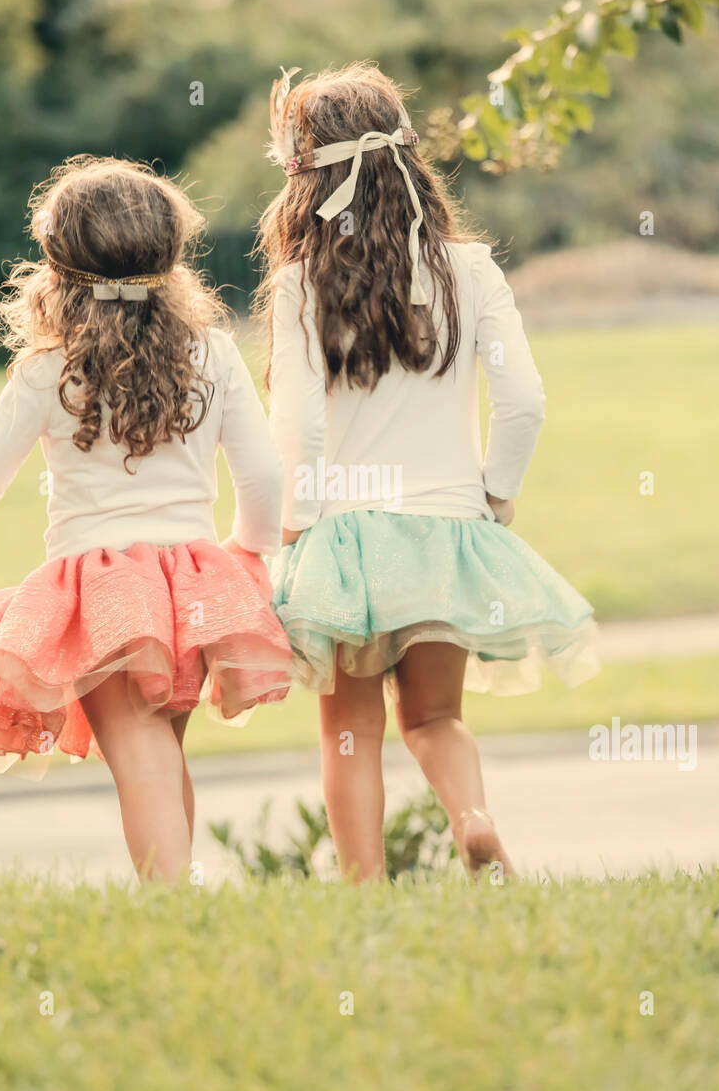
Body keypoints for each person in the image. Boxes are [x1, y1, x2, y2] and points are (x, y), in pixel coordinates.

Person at [257, 64, 599, 883]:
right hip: (449, 531)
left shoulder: (302, 282)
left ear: (306, 176)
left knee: (351, 730)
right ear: (407, 156)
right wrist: (495, 493)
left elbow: (298, 417)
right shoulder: (470, 270)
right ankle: (473, 822)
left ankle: (365, 889)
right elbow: (522, 399)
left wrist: (296, 517)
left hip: (345, 540)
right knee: (436, 716)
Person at [0, 156, 292, 881]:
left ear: (56, 266)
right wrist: (250, 549)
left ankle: (170, 899)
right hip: (196, 586)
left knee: (141, 758)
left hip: (105, 586)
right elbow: (264, 472)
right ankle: (180, 890)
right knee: (162, 748)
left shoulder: (47, 369)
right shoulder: (209, 352)